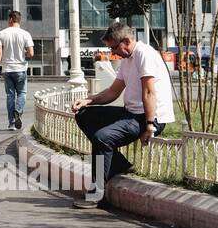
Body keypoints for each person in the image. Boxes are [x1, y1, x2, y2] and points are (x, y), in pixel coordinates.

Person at [70, 23, 175, 209]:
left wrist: (150, 125)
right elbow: (113, 92)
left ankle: (97, 194)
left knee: (102, 138)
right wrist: (88, 101)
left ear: (126, 41)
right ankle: (119, 164)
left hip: (150, 117)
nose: (113, 52)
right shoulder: (127, 59)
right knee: (84, 114)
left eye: (114, 47)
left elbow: (150, 92)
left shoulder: (145, 54)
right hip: (132, 113)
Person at [0, 11, 34, 130]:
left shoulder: (1, 34)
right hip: (20, 69)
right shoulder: (26, 34)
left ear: (10, 19)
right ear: (19, 20)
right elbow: (31, 53)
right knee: (22, 93)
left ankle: (11, 123)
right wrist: (23, 52)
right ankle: (18, 111)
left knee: (10, 95)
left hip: (7, 70)